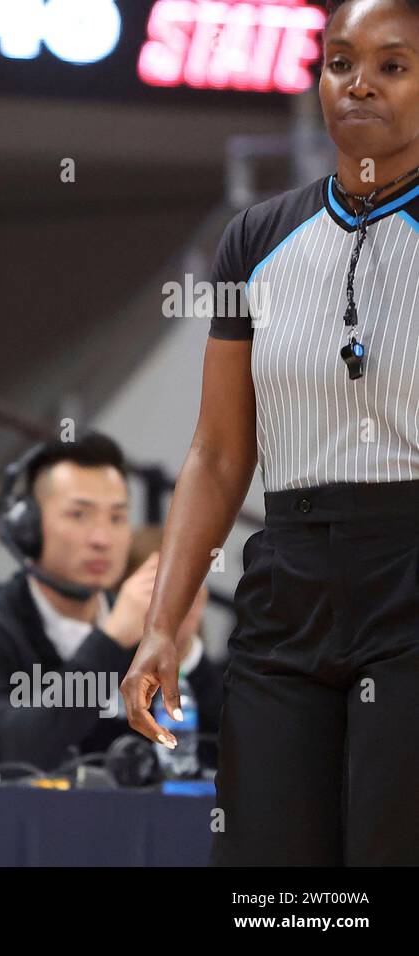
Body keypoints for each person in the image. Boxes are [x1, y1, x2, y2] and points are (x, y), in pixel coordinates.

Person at [121, 0, 419, 865]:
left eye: (392, 65)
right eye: (339, 61)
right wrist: (164, 624)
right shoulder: (254, 239)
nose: (358, 81)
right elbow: (218, 453)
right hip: (287, 574)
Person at [0, 434, 222, 771]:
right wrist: (109, 643)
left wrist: (183, 650)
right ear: (28, 527)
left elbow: (219, 757)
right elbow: (3, 750)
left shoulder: (142, 631)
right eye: (79, 515)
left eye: (116, 518)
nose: (101, 539)